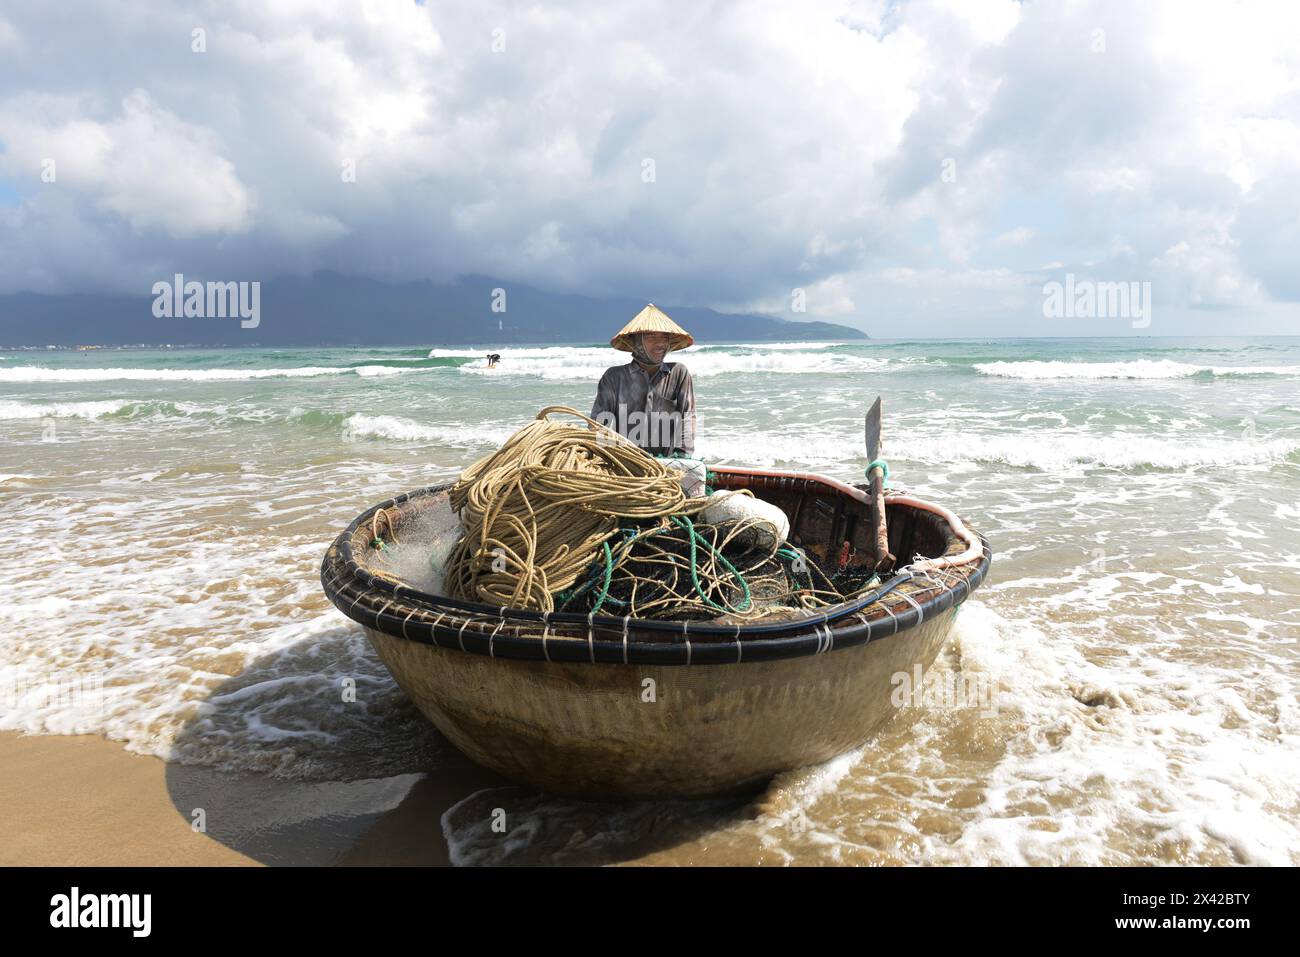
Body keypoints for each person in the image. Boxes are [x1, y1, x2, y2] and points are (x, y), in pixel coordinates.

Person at [590, 304, 696, 457]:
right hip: (628, 462)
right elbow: (598, 424)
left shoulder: (678, 373)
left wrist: (682, 457)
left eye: (664, 337)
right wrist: (596, 456)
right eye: (652, 337)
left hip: (667, 463)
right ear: (636, 342)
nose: (660, 343)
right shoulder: (614, 377)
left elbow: (688, 416)